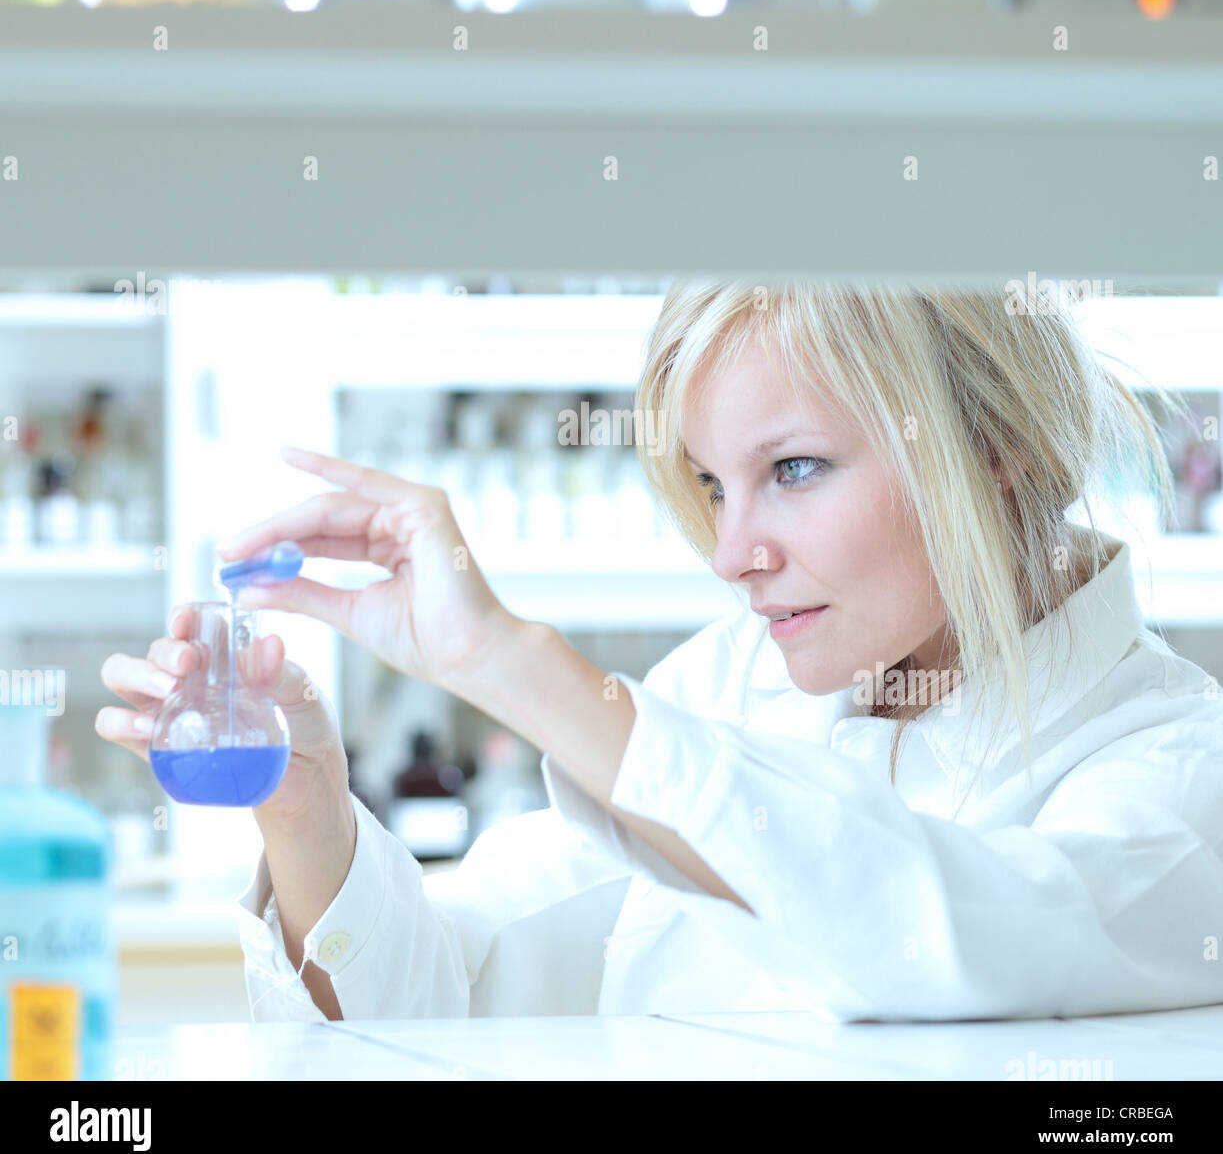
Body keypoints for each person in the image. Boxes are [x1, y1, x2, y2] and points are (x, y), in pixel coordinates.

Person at [97, 281, 1223, 1023]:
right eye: (708, 485)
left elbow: (931, 932)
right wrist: (307, 815)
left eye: (791, 469)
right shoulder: (728, 684)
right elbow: (447, 994)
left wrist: (504, 660)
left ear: (993, 449)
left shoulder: (1171, 766)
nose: (732, 552)